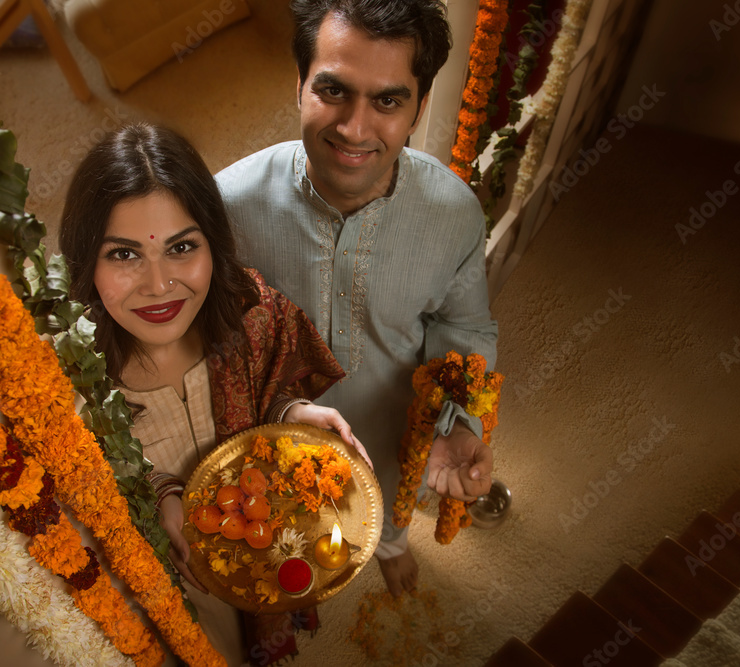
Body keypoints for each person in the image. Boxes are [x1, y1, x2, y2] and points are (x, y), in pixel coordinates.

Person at [216, 0, 499, 597]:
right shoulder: (226, 209)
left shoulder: (454, 214)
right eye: (334, 90)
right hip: (273, 436)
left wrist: (458, 420)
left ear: (420, 107)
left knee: (390, 511)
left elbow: (465, 328)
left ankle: (391, 545)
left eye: (388, 101)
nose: (353, 128)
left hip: (391, 430)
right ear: (299, 86)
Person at [59, 123, 366, 665]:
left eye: (181, 247)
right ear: (87, 260)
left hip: (259, 531)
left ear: (212, 242)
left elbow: (273, 387)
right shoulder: (74, 382)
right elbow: (92, 484)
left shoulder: (251, 312)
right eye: (125, 256)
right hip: (183, 586)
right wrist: (161, 497)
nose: (158, 285)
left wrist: (294, 413)